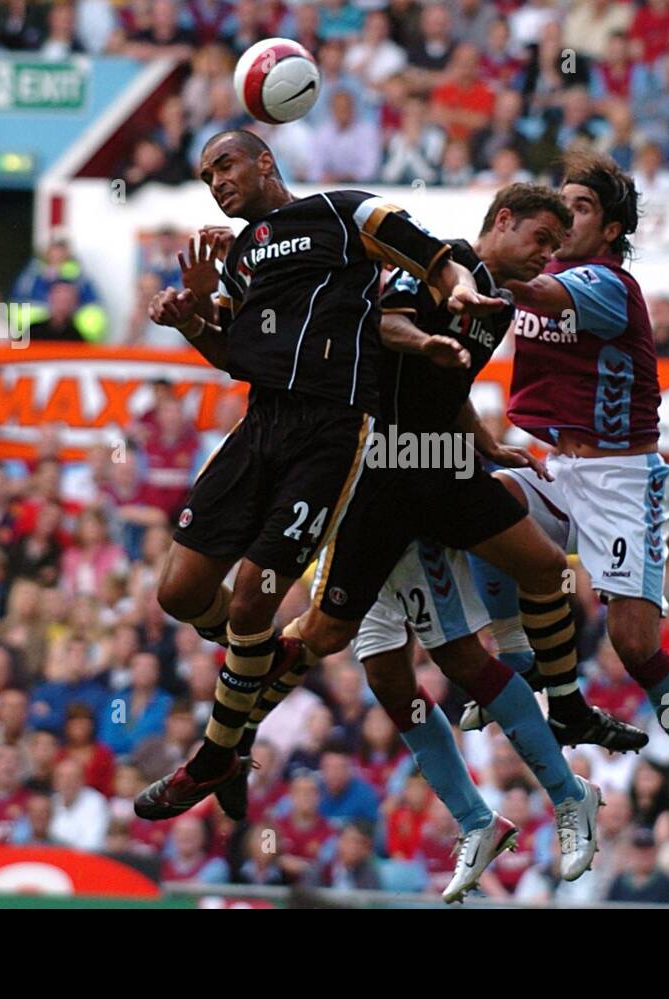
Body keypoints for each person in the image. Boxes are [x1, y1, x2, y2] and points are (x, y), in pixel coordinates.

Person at [234, 184, 643, 903]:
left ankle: (560, 776)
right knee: (385, 671)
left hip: (429, 474)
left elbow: (448, 384)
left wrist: (485, 441)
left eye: (556, 247)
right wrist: (428, 338)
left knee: (530, 583)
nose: (547, 256)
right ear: (504, 222)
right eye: (541, 241)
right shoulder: (441, 266)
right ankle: (480, 811)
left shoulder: (501, 298)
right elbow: (388, 327)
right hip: (381, 472)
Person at [134, 129, 502, 819]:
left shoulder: (343, 212)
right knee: (179, 591)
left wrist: (456, 292)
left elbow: (435, 256)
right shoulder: (242, 256)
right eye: (206, 174)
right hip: (261, 425)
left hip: (332, 431)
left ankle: (217, 753)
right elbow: (234, 355)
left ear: (264, 161)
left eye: (226, 165)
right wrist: (191, 317)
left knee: (251, 597)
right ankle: (250, 692)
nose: (217, 181)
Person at [478, 150, 669, 860]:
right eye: (560, 206)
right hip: (559, 463)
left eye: (583, 209)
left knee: (634, 646)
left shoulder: (603, 284)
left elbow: (527, 292)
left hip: (622, 478)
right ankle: (519, 659)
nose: (567, 220)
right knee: (483, 502)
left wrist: (470, 257)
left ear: (612, 230)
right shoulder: (551, 266)